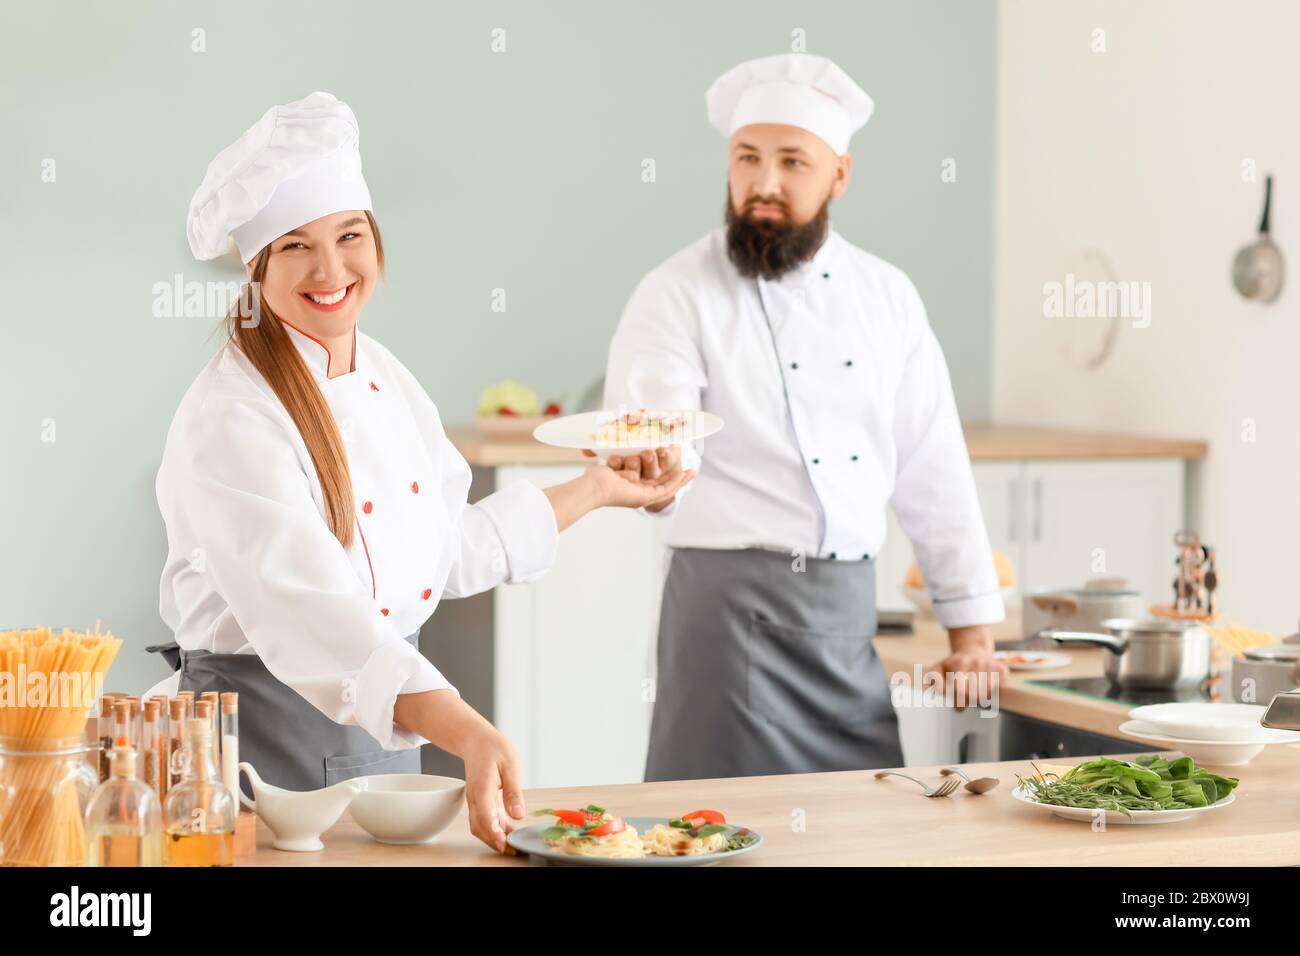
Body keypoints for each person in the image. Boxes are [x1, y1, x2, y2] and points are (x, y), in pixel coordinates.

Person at [155, 91, 692, 850]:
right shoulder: (230, 415)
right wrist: (465, 729)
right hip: (264, 755)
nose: (332, 268)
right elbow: (314, 614)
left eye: (350, 236)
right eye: (297, 246)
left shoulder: (385, 376)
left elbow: (440, 551)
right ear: (256, 265)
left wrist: (599, 486)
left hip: (388, 741)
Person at [601, 55, 1006, 781]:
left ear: (839, 176)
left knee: (864, 829)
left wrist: (971, 631)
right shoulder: (674, 293)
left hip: (847, 623)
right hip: (724, 620)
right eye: (747, 158)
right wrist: (654, 475)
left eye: (793, 162)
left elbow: (932, 466)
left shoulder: (888, 298)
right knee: (710, 833)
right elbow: (659, 430)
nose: (765, 183)